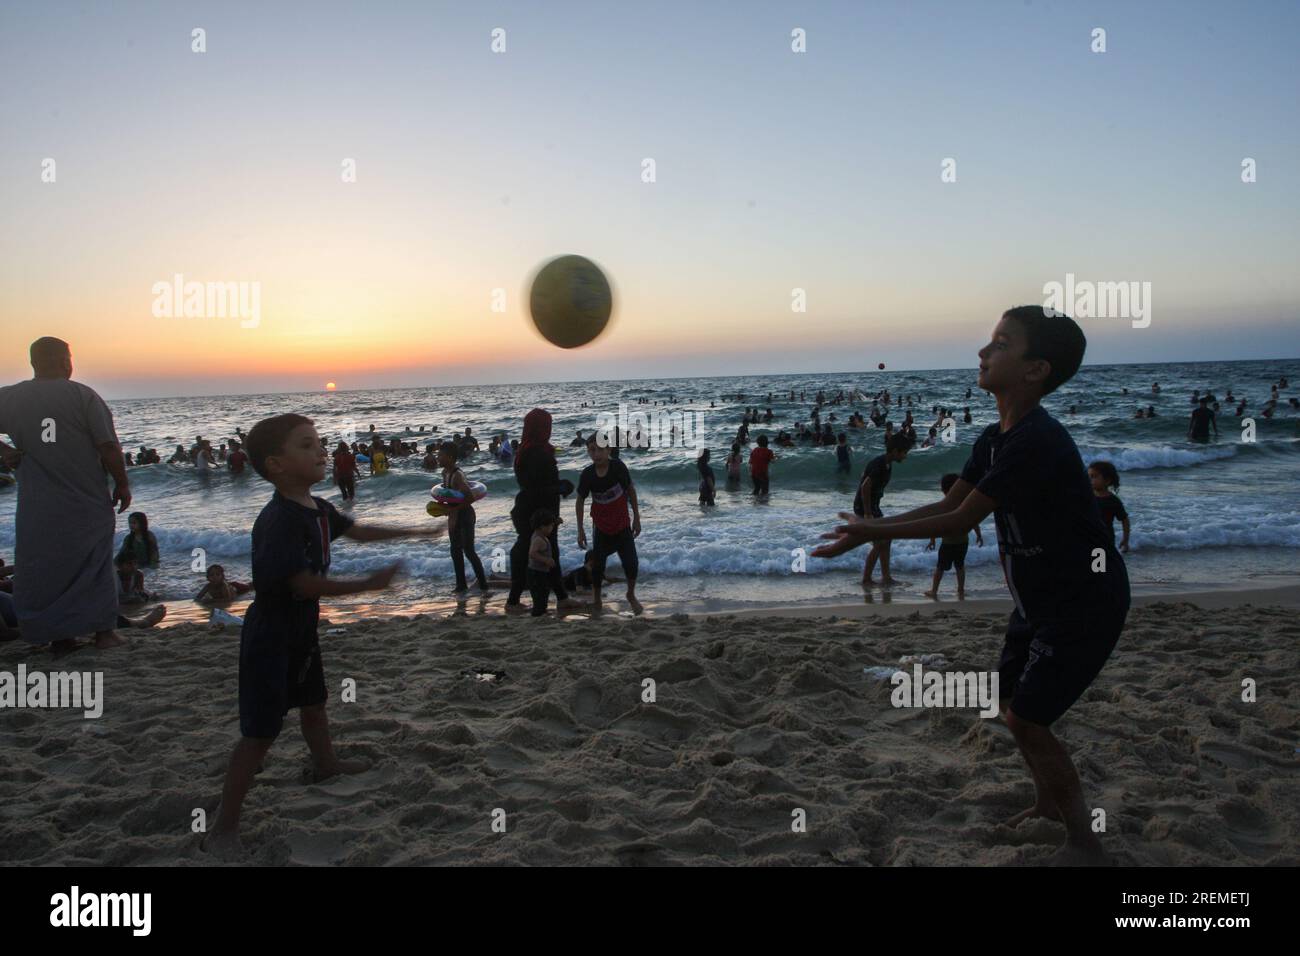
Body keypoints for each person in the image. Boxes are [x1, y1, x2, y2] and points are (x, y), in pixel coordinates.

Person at [814, 306, 1129, 864]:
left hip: (1083, 602)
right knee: (1012, 704)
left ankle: (1085, 843)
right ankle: (1046, 806)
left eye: (1001, 344)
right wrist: (870, 528)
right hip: (1036, 602)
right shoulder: (993, 438)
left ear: (1036, 370)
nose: (983, 353)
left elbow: (962, 523)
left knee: (1026, 719)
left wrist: (868, 534)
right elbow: (950, 501)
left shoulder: (1036, 441)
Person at [203, 413, 444, 859]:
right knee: (259, 733)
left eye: (320, 442)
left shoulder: (318, 508)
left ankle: (325, 765)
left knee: (314, 703)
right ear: (276, 464)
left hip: (301, 628)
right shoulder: (280, 520)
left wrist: (417, 530)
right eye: (307, 444)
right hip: (270, 634)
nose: (320, 451)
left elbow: (359, 531)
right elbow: (301, 583)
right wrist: (367, 586)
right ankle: (222, 826)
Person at [0, 337, 130, 653]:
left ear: (34, 362)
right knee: (93, 563)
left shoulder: (11, 397)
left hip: (36, 504)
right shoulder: (82, 396)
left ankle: (61, 636)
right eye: (68, 357)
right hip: (83, 499)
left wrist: (6, 452)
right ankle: (103, 633)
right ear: (63, 360)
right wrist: (122, 483)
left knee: (47, 566)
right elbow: (108, 446)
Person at [506, 409, 577, 611]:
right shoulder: (537, 452)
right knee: (541, 552)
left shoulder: (526, 449)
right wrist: (560, 487)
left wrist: (558, 487)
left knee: (530, 551)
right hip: (537, 513)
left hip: (529, 510)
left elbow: (532, 485)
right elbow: (537, 487)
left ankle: (518, 600)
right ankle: (516, 601)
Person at [575, 432, 643, 613]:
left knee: (631, 563)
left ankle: (631, 594)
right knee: (598, 566)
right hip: (601, 527)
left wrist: (636, 517)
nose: (596, 454)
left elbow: (631, 490)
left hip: (622, 524)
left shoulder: (618, 468)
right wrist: (580, 529)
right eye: (591, 450)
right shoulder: (587, 475)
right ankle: (597, 601)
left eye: (600, 450)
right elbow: (580, 500)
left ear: (609, 450)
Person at [853, 433, 911, 585]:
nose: (905, 456)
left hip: (873, 507)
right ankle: (866, 579)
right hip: (865, 508)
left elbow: (864, 478)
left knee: (887, 538)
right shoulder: (880, 464)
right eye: (904, 452)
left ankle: (886, 577)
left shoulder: (887, 463)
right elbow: (865, 486)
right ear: (895, 451)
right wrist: (867, 514)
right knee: (880, 543)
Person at [437, 441, 489, 594]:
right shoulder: (444, 473)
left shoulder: (457, 476)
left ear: (450, 457)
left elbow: (470, 497)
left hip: (465, 515)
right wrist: (444, 507)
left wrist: (453, 509)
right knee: (455, 550)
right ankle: (461, 585)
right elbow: (449, 495)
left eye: (441, 455)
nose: (438, 458)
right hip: (454, 515)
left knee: (469, 551)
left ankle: (484, 585)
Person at [924, 473, 984, 597]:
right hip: (963, 542)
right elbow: (973, 521)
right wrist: (979, 535)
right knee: (960, 566)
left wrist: (932, 540)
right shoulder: (964, 505)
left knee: (940, 568)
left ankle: (934, 591)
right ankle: (960, 590)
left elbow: (935, 525)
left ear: (943, 490)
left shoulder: (944, 506)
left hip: (948, 543)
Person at [1088, 460, 1130, 553]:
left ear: (1107, 480)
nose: (1090, 480)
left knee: (1099, 566)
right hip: (1089, 538)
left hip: (1105, 540)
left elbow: (1124, 519)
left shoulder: (1113, 501)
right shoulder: (1087, 497)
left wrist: (1125, 540)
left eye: (1094, 476)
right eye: (1089, 476)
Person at [527, 509, 561, 616]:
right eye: (551, 526)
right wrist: (546, 560)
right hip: (536, 574)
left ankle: (541, 612)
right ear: (542, 527)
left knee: (544, 593)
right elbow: (532, 553)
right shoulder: (539, 539)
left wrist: (556, 522)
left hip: (540, 572)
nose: (552, 528)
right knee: (540, 597)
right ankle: (538, 614)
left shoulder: (539, 534)